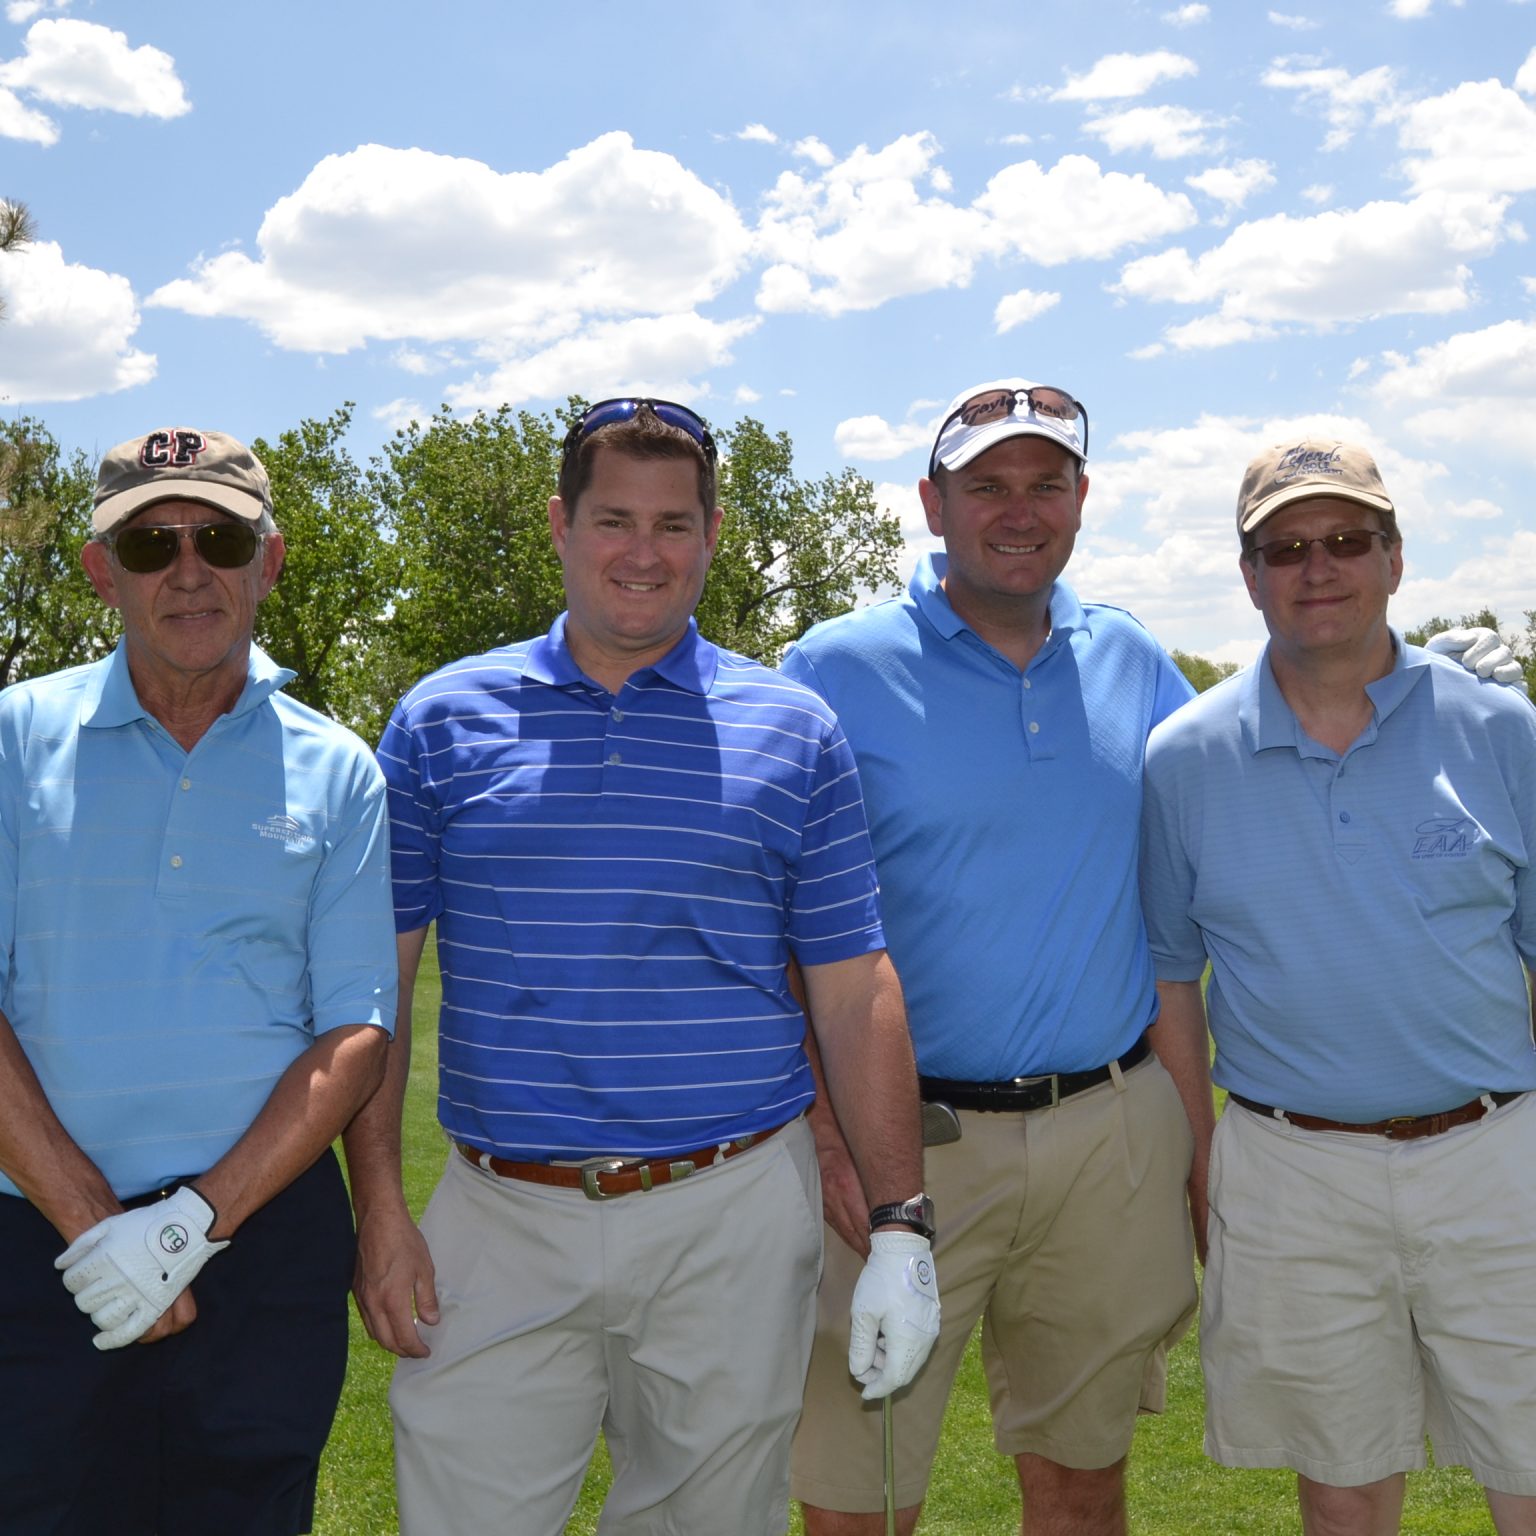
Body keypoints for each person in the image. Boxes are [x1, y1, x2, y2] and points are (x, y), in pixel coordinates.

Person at [346, 398, 939, 1536]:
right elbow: (379, 991)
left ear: (712, 536)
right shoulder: (439, 720)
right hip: (498, 1211)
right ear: (562, 527)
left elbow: (855, 985)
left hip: (728, 1211)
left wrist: (903, 1227)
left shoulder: (794, 727)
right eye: (615, 519)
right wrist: (379, 1204)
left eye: (674, 524)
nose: (644, 552)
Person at [782, 378, 1206, 1536]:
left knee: (1081, 1483)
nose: (1018, 511)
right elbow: (773, 923)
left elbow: (1194, 882)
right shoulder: (831, 668)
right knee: (858, 1495)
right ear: (933, 503)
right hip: (903, 1149)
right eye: (986, 487)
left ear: (1081, 500)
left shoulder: (1132, 658)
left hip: (1108, 1131)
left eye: (1045, 484)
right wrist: (826, 1135)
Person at [0, 427, 397, 1536]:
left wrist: (185, 1229)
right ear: (99, 570)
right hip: (36, 1244)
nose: (188, 569)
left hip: (260, 1250)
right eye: (150, 542)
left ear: (267, 561)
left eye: (219, 537)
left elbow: (356, 1032)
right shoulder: (10, 737)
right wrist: (94, 1229)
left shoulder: (339, 767)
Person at [1140, 439, 1536, 1536]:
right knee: (1343, 1485)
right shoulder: (1184, 757)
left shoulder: (1504, 731)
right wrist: (1203, 1160)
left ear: (1396, 558)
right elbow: (1175, 978)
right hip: (1290, 1164)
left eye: (1348, 540)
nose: (1319, 568)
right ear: (1251, 575)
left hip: (1496, 1153)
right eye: (1286, 547)